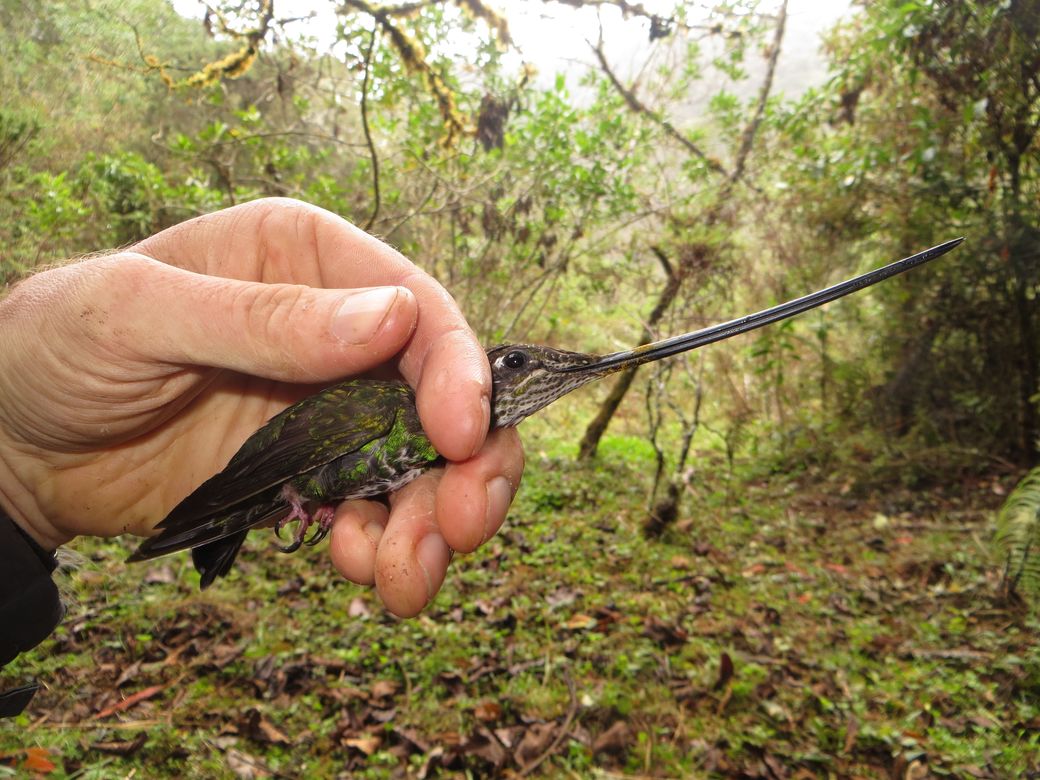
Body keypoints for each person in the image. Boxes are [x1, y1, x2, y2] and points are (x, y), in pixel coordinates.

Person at [0, 198, 525, 712]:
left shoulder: (433, 439)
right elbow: (284, 454)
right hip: (275, 466)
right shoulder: (383, 406)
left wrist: (17, 490)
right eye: (516, 364)